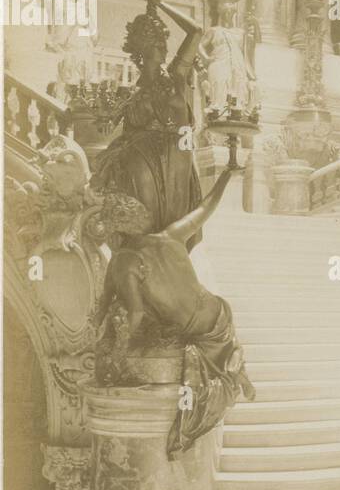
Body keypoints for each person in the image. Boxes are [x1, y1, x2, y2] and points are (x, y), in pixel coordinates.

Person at [95, 165, 255, 455]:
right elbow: (207, 207)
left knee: (189, 351)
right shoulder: (171, 235)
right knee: (216, 347)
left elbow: (137, 314)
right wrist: (226, 174)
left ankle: (233, 371)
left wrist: (119, 352)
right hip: (218, 312)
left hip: (193, 327)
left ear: (115, 228)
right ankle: (235, 368)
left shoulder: (124, 261)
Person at [92, 0, 204, 248]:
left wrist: (162, 4)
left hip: (177, 156)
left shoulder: (176, 74)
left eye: (164, 43)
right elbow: (111, 128)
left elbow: (196, 31)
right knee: (150, 226)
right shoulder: (133, 94)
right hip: (146, 160)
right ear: (143, 49)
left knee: (175, 228)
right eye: (158, 43)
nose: (165, 48)